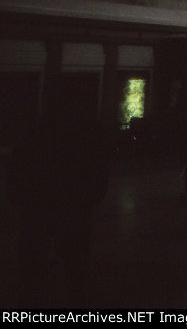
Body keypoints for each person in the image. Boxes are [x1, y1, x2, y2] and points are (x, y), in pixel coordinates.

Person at [7, 82, 111, 307]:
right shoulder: (89, 129)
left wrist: (18, 194)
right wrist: (91, 196)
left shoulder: (34, 127)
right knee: (75, 261)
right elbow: (99, 167)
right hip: (75, 205)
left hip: (37, 205)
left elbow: (17, 165)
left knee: (33, 259)